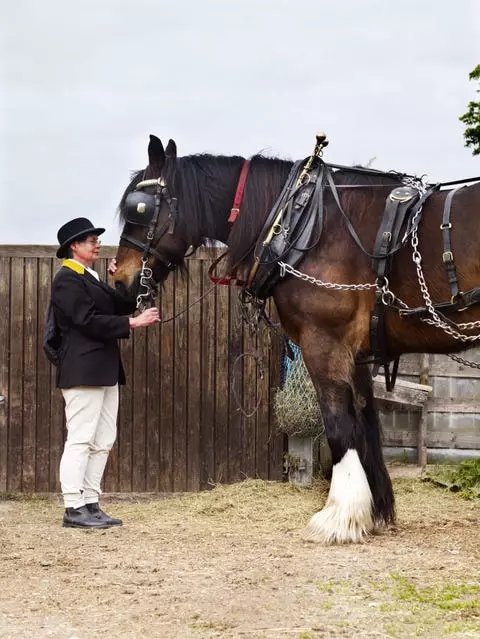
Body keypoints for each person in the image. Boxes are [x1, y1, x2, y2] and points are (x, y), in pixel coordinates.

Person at [47, 217, 159, 529]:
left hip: (104, 370)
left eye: (97, 239)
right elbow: (86, 320)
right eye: (91, 240)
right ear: (75, 246)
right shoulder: (67, 279)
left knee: (104, 439)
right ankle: (73, 506)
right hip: (83, 369)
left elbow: (121, 305)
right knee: (81, 439)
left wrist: (116, 280)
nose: (97, 244)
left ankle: (91, 502)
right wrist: (133, 324)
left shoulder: (91, 278)